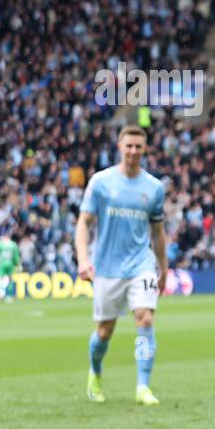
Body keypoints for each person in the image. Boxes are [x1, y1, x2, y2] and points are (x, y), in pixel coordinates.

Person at [74, 125, 168, 406]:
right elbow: (83, 223)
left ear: (145, 148)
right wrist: (83, 259)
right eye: (129, 146)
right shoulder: (101, 183)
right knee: (104, 331)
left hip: (141, 265)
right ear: (120, 146)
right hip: (107, 267)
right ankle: (96, 372)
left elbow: (158, 233)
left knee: (145, 318)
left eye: (139, 146)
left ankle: (142, 387)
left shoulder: (153, 188)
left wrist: (163, 268)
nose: (134, 151)